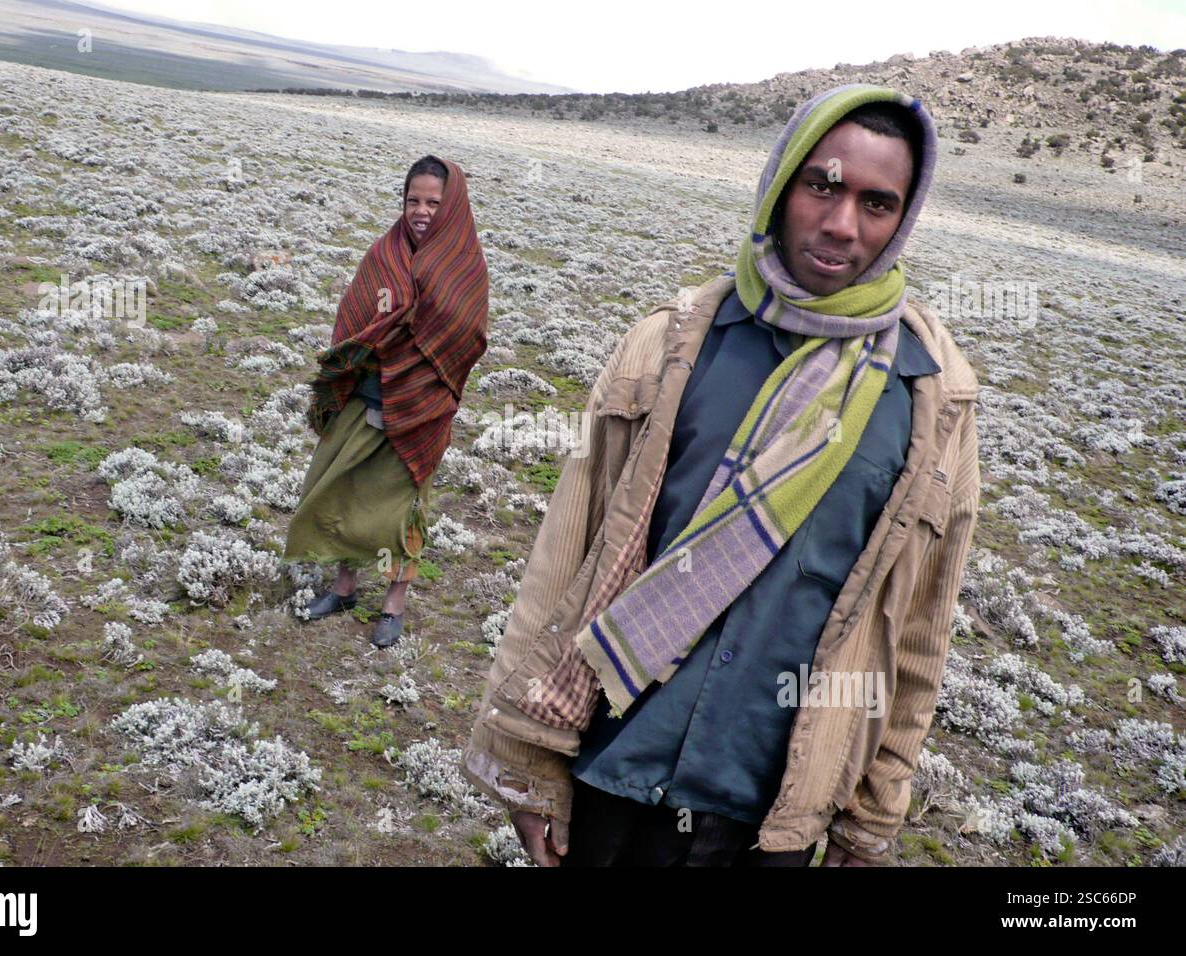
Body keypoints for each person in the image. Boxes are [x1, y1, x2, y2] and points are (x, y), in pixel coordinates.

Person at [461, 84, 981, 866]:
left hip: (767, 818)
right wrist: (527, 763)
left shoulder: (933, 398)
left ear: (903, 219)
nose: (843, 224)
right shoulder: (671, 345)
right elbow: (562, 559)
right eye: (823, 186)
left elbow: (915, 634)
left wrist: (872, 815)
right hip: (612, 770)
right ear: (780, 187)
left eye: (877, 204)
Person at [284, 155, 488, 648]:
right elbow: (354, 316)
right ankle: (345, 587)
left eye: (433, 202)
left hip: (419, 408)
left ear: (452, 206)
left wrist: (406, 338)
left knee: (403, 508)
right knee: (346, 490)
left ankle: (394, 601)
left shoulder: (465, 265)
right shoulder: (385, 252)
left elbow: (467, 335)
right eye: (412, 200)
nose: (421, 211)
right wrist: (368, 346)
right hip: (364, 396)